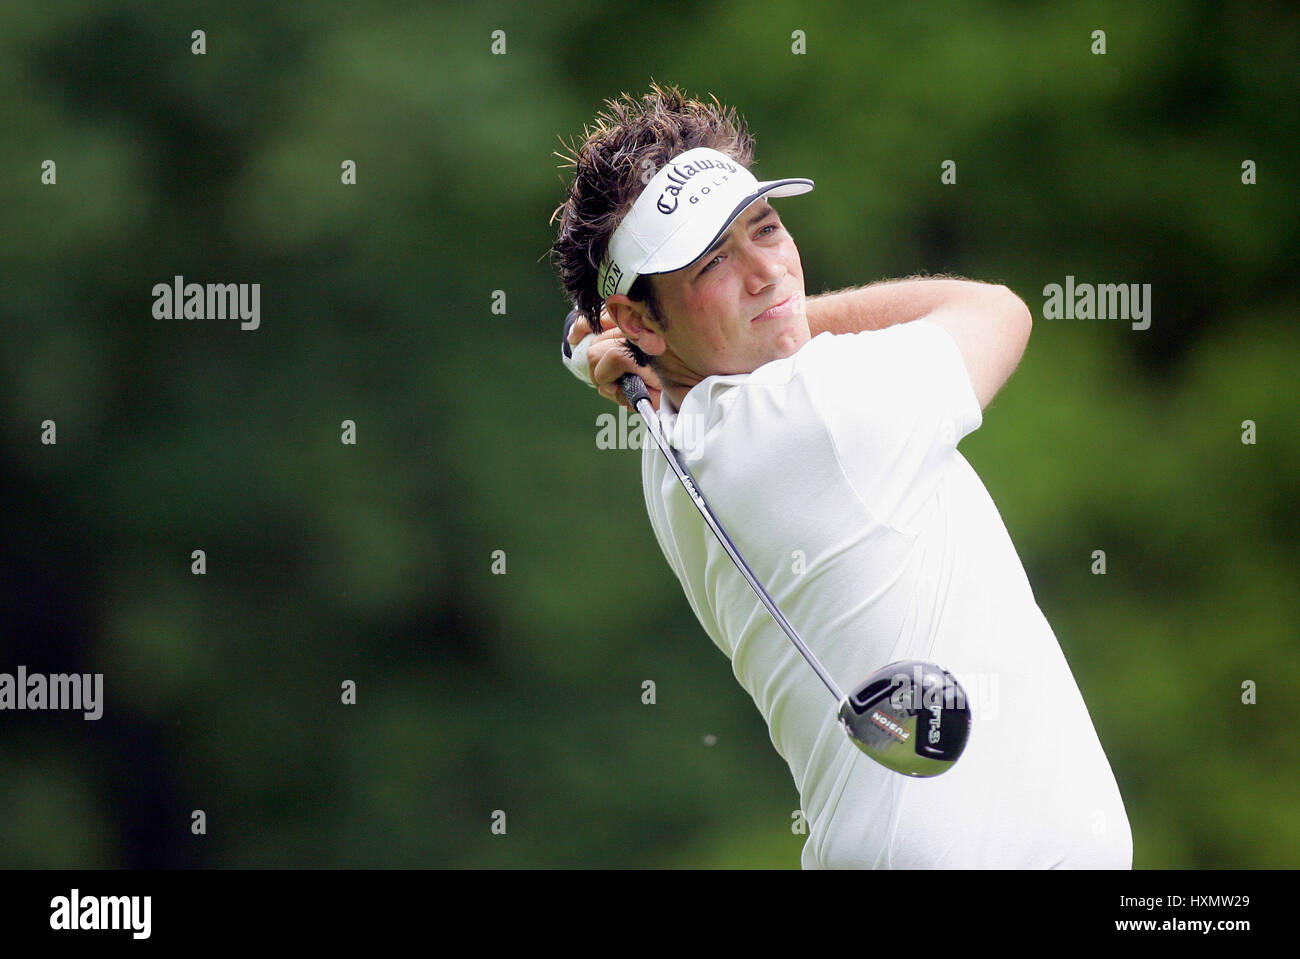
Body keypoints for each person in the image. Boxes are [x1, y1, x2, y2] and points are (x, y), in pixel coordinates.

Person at [549, 83, 1132, 869]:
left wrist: (639, 339)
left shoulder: (673, 429)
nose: (767, 272)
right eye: (715, 262)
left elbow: (618, 331)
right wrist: (793, 314)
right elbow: (996, 310)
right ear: (643, 321)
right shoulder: (812, 414)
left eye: (765, 228)